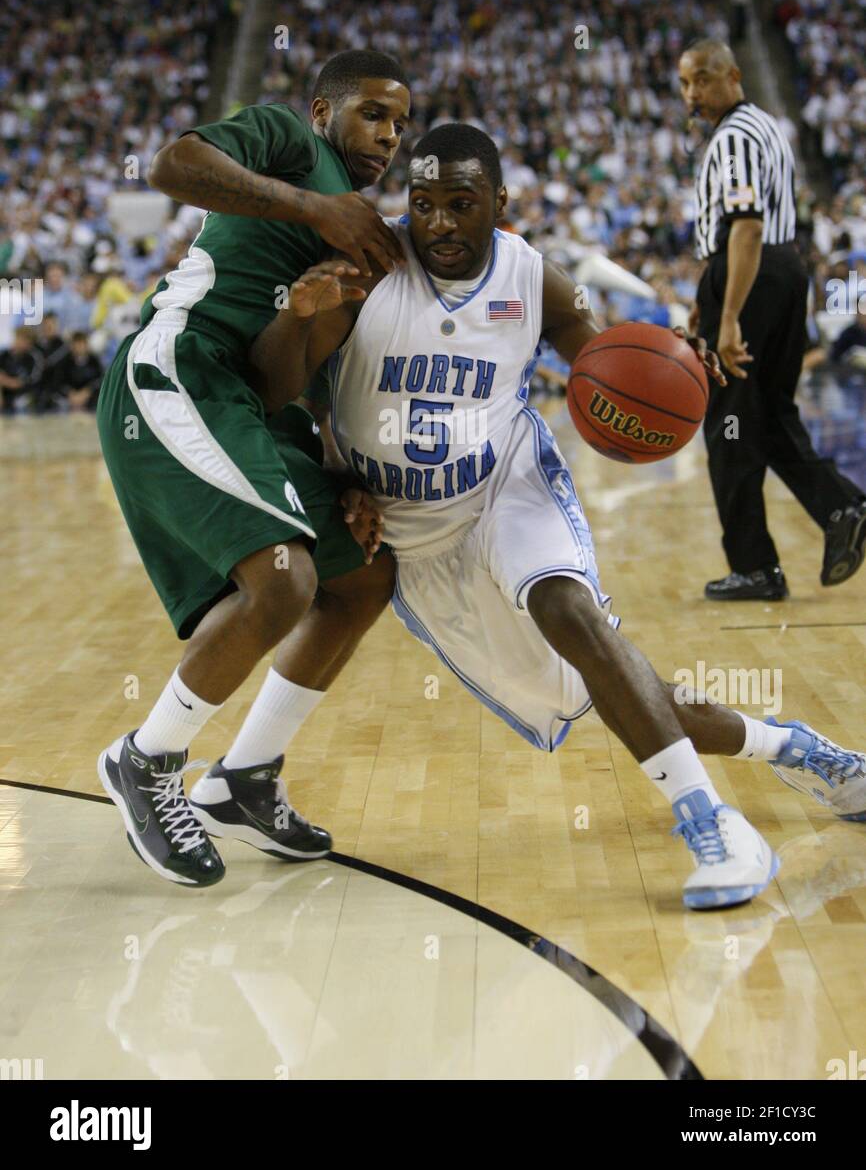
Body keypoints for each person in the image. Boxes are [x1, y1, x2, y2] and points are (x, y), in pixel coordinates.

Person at [241, 124, 866, 911]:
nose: (437, 222)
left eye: (460, 204)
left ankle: (711, 822)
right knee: (606, 692)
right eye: (423, 203)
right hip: (418, 537)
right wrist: (300, 325)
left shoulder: (533, 278)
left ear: (499, 205)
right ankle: (794, 747)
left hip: (507, 484)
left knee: (567, 607)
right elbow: (279, 392)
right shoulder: (366, 272)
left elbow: (609, 362)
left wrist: (667, 366)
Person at [96, 50, 411, 888]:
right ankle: (147, 758)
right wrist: (317, 211)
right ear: (321, 112)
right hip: (180, 368)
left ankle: (244, 777)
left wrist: (344, 471)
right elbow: (173, 165)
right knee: (282, 581)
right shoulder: (282, 139)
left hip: (251, 402)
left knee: (364, 575)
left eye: (400, 124)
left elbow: (284, 381)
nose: (389, 134)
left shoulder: (363, 244)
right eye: (375, 114)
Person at [679, 39, 866, 599]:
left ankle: (756, 567)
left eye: (703, 80)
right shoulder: (764, 126)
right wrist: (704, 297)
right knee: (770, 412)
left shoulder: (733, 137)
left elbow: (747, 227)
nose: (693, 94)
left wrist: (728, 314)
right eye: (686, 84)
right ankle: (841, 506)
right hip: (782, 273)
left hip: (753, 274)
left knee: (729, 421)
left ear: (734, 74)